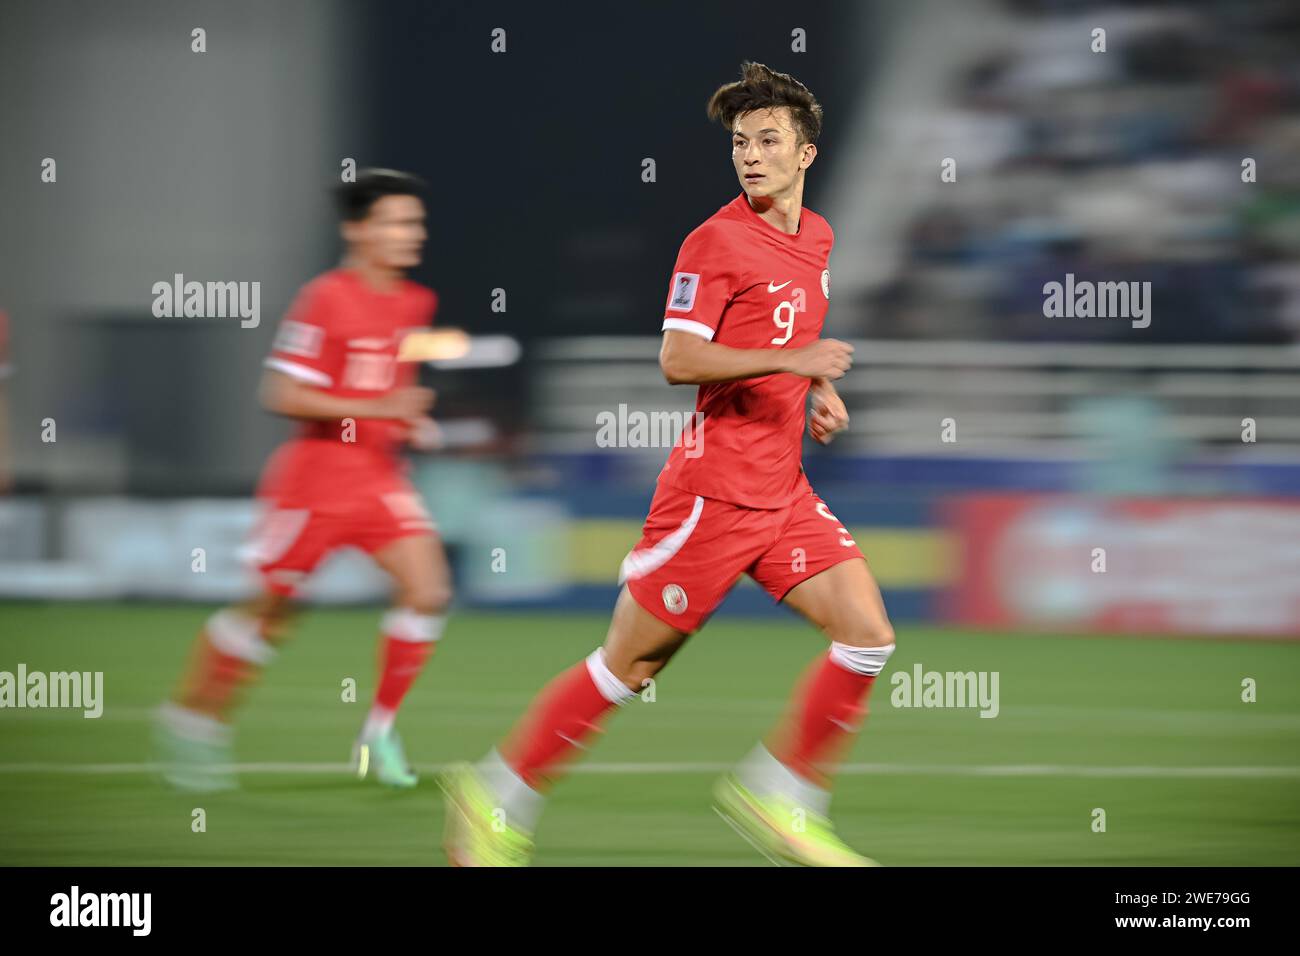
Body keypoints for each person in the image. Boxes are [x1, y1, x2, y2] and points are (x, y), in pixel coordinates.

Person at [440, 62, 896, 866]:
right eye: (739, 144)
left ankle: (781, 794)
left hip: (781, 491)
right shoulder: (714, 240)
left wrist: (816, 385)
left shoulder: (818, 236)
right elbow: (679, 359)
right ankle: (495, 791)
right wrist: (797, 362)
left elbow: (788, 331)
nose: (750, 156)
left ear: (806, 154)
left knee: (867, 635)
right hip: (711, 496)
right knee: (630, 666)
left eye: (767, 141)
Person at [156, 169, 451, 791]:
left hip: (377, 477)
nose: (413, 233)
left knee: (428, 590)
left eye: (417, 221)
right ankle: (193, 720)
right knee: (271, 610)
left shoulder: (416, 303)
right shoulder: (325, 297)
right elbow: (281, 391)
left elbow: (388, 387)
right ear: (357, 229)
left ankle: (378, 730)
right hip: (314, 482)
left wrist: (410, 421)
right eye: (398, 221)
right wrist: (381, 410)